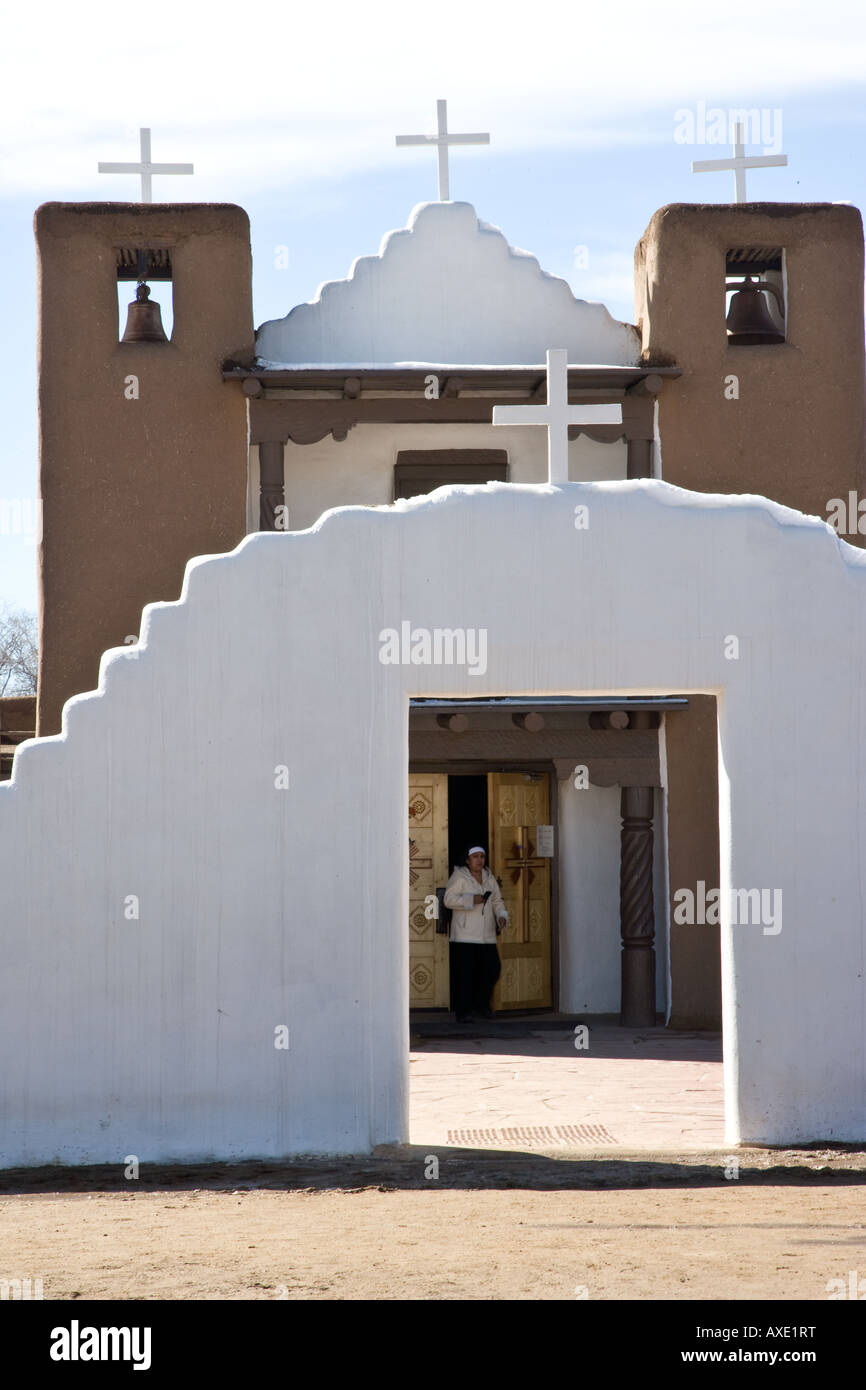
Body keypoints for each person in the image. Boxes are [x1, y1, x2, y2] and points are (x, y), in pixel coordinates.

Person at [444, 846, 508, 1023]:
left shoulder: (489, 877)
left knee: (492, 970)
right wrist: (472, 900)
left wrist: (502, 916)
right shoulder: (459, 876)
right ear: (467, 860)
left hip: (487, 935)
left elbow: (497, 900)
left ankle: (482, 1005)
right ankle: (463, 1012)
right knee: (466, 974)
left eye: (482, 856)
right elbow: (448, 900)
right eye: (475, 857)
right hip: (465, 934)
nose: (479, 860)